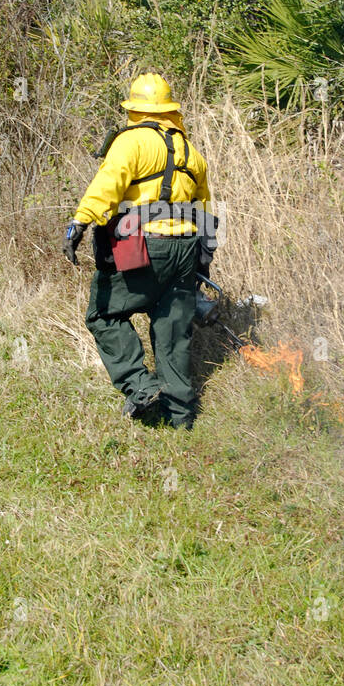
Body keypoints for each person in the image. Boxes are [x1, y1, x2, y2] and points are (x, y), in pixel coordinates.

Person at [63, 73, 214, 429]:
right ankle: (181, 418)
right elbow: (204, 209)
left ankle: (141, 387)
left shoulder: (131, 143)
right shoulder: (193, 153)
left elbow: (108, 183)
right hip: (186, 249)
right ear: (168, 111)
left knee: (103, 315)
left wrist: (79, 224)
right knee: (172, 332)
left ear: (134, 110)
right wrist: (202, 259)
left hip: (141, 245)